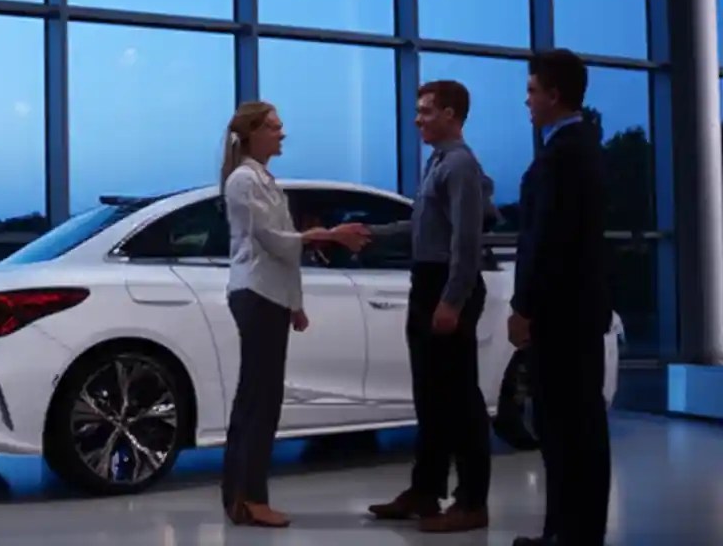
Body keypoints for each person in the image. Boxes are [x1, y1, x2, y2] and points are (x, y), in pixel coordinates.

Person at [219, 100, 371, 528]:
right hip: (256, 293)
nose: (281, 133)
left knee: (258, 398)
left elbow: (281, 252)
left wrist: (294, 304)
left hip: (268, 295)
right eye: (273, 126)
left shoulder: (261, 179)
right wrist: (332, 235)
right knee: (259, 401)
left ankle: (242, 497)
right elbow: (277, 240)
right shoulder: (244, 180)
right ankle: (249, 498)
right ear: (252, 133)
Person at [367, 80, 497, 533]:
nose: (417, 118)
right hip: (427, 283)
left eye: (425, 111)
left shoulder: (460, 165)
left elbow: (466, 240)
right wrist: (370, 234)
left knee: (460, 398)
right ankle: (425, 491)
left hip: (445, 285)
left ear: (451, 114)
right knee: (431, 396)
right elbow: (423, 227)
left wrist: (452, 300)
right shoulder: (437, 164)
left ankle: (471, 501)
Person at [508, 50, 612, 546]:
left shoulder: (563, 155)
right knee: (575, 426)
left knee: (565, 427)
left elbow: (546, 239)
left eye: (532, 91)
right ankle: (565, 531)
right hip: (579, 308)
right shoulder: (580, 147)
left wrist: (522, 306)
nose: (526, 101)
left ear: (553, 94)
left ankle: (569, 533)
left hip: (561, 313)